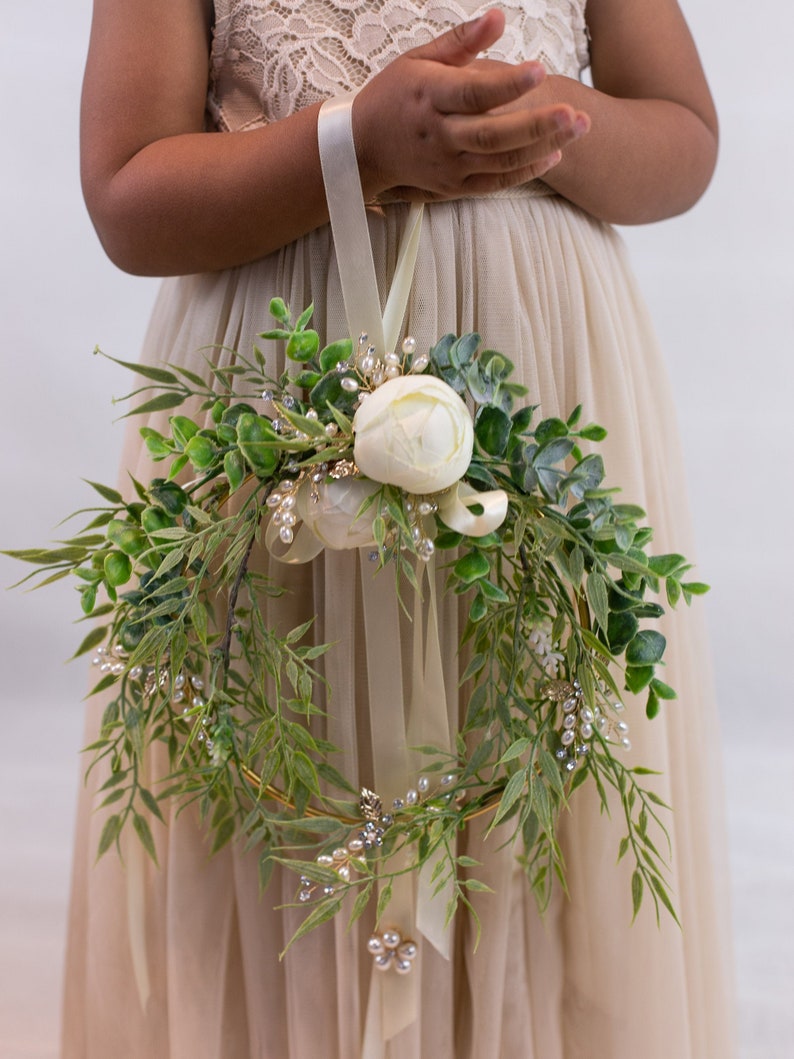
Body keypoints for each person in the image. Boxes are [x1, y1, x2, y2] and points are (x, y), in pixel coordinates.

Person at [63, 1, 735, 1056]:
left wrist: (543, 111)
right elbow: (128, 197)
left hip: (538, 395)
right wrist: (351, 145)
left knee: (527, 760)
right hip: (278, 395)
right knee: (294, 758)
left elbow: (682, 138)